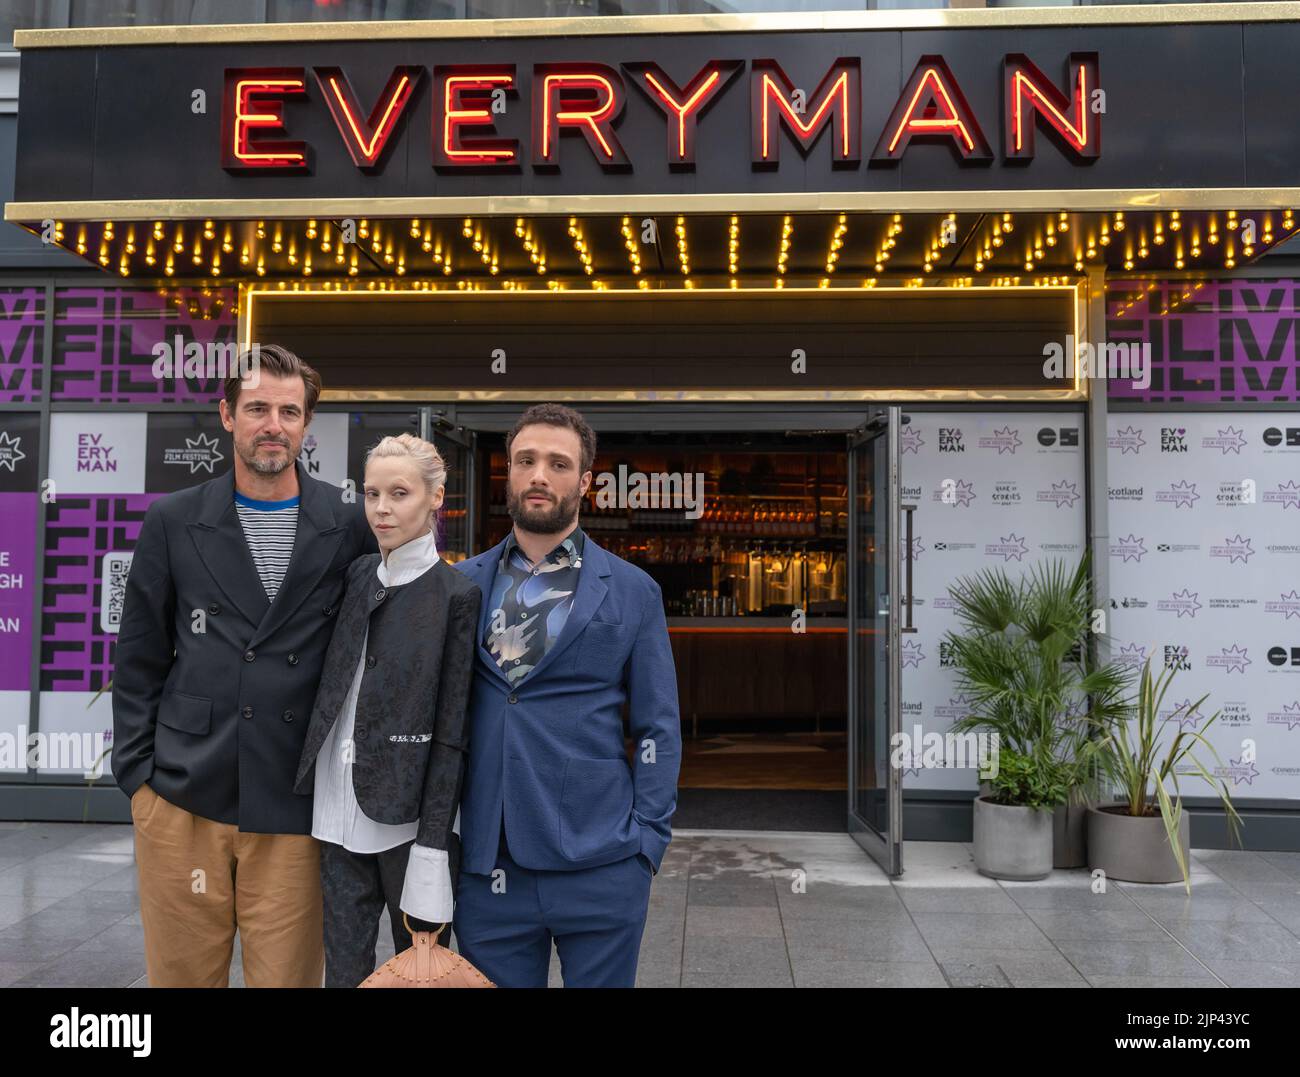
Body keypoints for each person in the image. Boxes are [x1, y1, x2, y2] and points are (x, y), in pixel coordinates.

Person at [111, 344, 376, 987]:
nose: (273, 425)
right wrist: (140, 780)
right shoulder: (173, 520)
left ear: (307, 425)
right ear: (226, 414)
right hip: (183, 795)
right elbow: (140, 658)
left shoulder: (346, 526)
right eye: (257, 408)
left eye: (289, 411)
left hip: (292, 801)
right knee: (181, 979)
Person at [451, 402, 681, 988]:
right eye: (525, 460)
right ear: (508, 472)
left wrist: (646, 844)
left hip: (601, 860)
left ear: (584, 482)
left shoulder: (633, 591)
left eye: (557, 464)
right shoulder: (460, 586)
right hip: (489, 865)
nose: (538, 475)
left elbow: (657, 727)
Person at [294, 434, 481, 988]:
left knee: (419, 973)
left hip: (406, 817)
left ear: (435, 498)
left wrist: (432, 841)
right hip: (335, 801)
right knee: (343, 971)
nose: (381, 508)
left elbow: (452, 731)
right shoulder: (355, 577)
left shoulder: (456, 595)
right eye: (372, 493)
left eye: (399, 493)